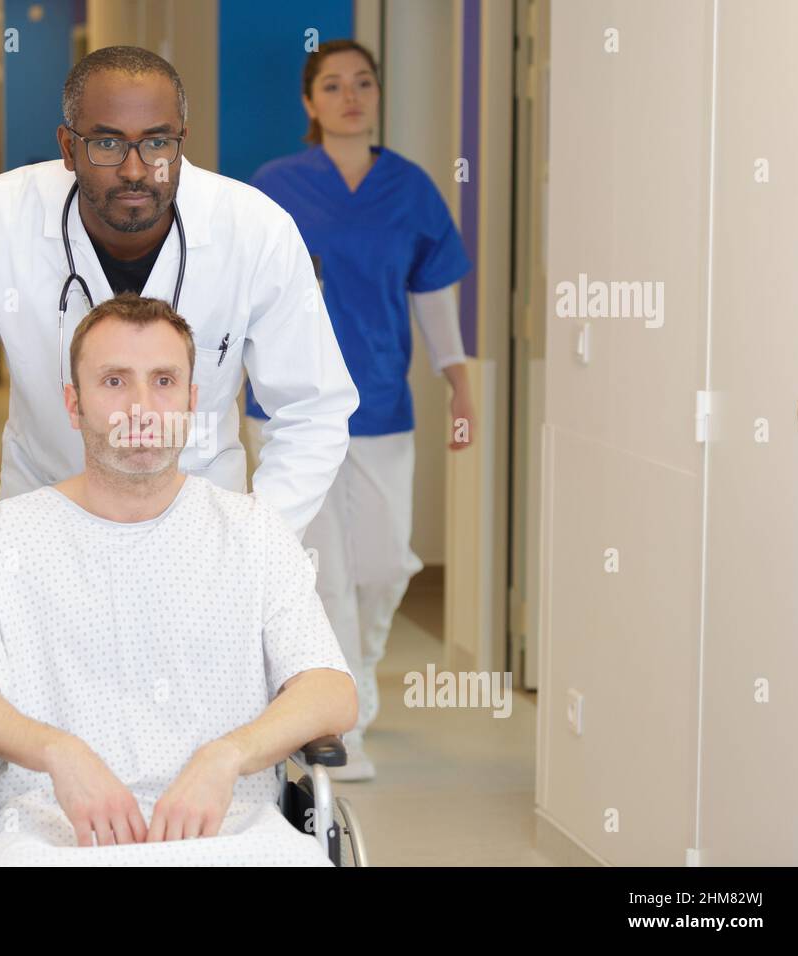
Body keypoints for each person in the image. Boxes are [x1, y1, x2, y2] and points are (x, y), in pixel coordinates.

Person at [0, 293, 358, 866]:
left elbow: (330, 690)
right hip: (48, 836)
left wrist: (227, 756)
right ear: (75, 404)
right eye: (115, 382)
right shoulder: (3, 539)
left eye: (164, 381)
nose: (141, 407)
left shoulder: (253, 534)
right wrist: (57, 752)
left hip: (233, 833)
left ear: (191, 403)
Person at [0, 45, 357, 562]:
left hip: (204, 530)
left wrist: (261, 543)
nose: (137, 170)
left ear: (182, 143)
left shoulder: (256, 231)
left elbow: (312, 406)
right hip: (42, 521)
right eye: (107, 144)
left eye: (158, 142)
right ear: (68, 148)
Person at [242, 40, 475, 782]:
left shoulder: (410, 189)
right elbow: (241, 300)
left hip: (380, 401)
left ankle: (359, 668)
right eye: (333, 85)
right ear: (310, 103)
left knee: (384, 562)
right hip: (287, 406)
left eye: (364, 83)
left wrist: (459, 382)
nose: (351, 95)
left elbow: (434, 298)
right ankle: (340, 728)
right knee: (323, 569)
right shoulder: (274, 186)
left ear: (378, 96)